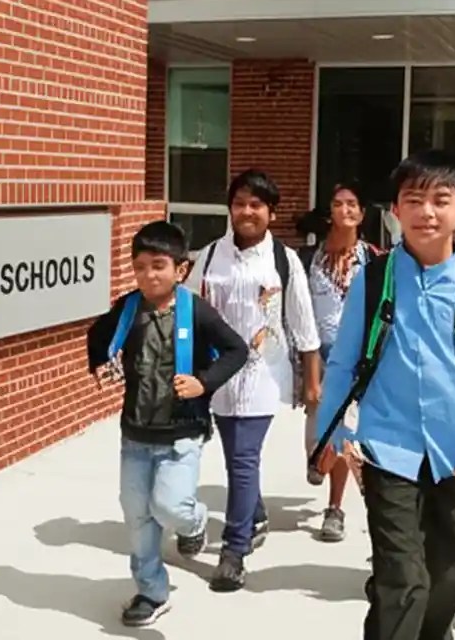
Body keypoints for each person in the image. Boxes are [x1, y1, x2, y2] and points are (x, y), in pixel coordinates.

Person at [315, 149, 455, 640]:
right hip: (388, 450)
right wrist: (331, 434)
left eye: (440, 201)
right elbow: (343, 363)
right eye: (413, 200)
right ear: (395, 212)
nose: (426, 212)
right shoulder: (376, 278)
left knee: (447, 573)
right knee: (402, 577)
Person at [85, 221, 249, 626]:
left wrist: (203, 382)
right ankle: (151, 590)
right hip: (136, 435)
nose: (148, 275)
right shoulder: (127, 309)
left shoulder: (196, 311)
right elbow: (96, 336)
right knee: (136, 515)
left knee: (170, 505)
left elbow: (236, 350)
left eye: (158, 266)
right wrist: (100, 363)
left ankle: (193, 522)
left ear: (181, 270)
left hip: (182, 433)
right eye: (139, 266)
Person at [185, 169, 322, 592]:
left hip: (264, 373)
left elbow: (304, 323)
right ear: (230, 209)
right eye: (240, 203)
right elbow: (187, 313)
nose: (247, 211)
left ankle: (234, 549)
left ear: (271, 212)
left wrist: (312, 381)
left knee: (244, 459)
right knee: (235, 459)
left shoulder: (284, 261)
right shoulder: (209, 257)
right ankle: (255, 512)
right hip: (215, 375)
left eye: (256, 204)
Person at [298, 183, 378, 542]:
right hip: (319, 359)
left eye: (352, 204)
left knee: (344, 433)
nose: (344, 210)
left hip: (357, 364)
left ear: (361, 214)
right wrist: (308, 374)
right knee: (317, 450)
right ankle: (320, 459)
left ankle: (335, 509)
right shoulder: (307, 260)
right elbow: (299, 318)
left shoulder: (374, 260)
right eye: (337, 204)